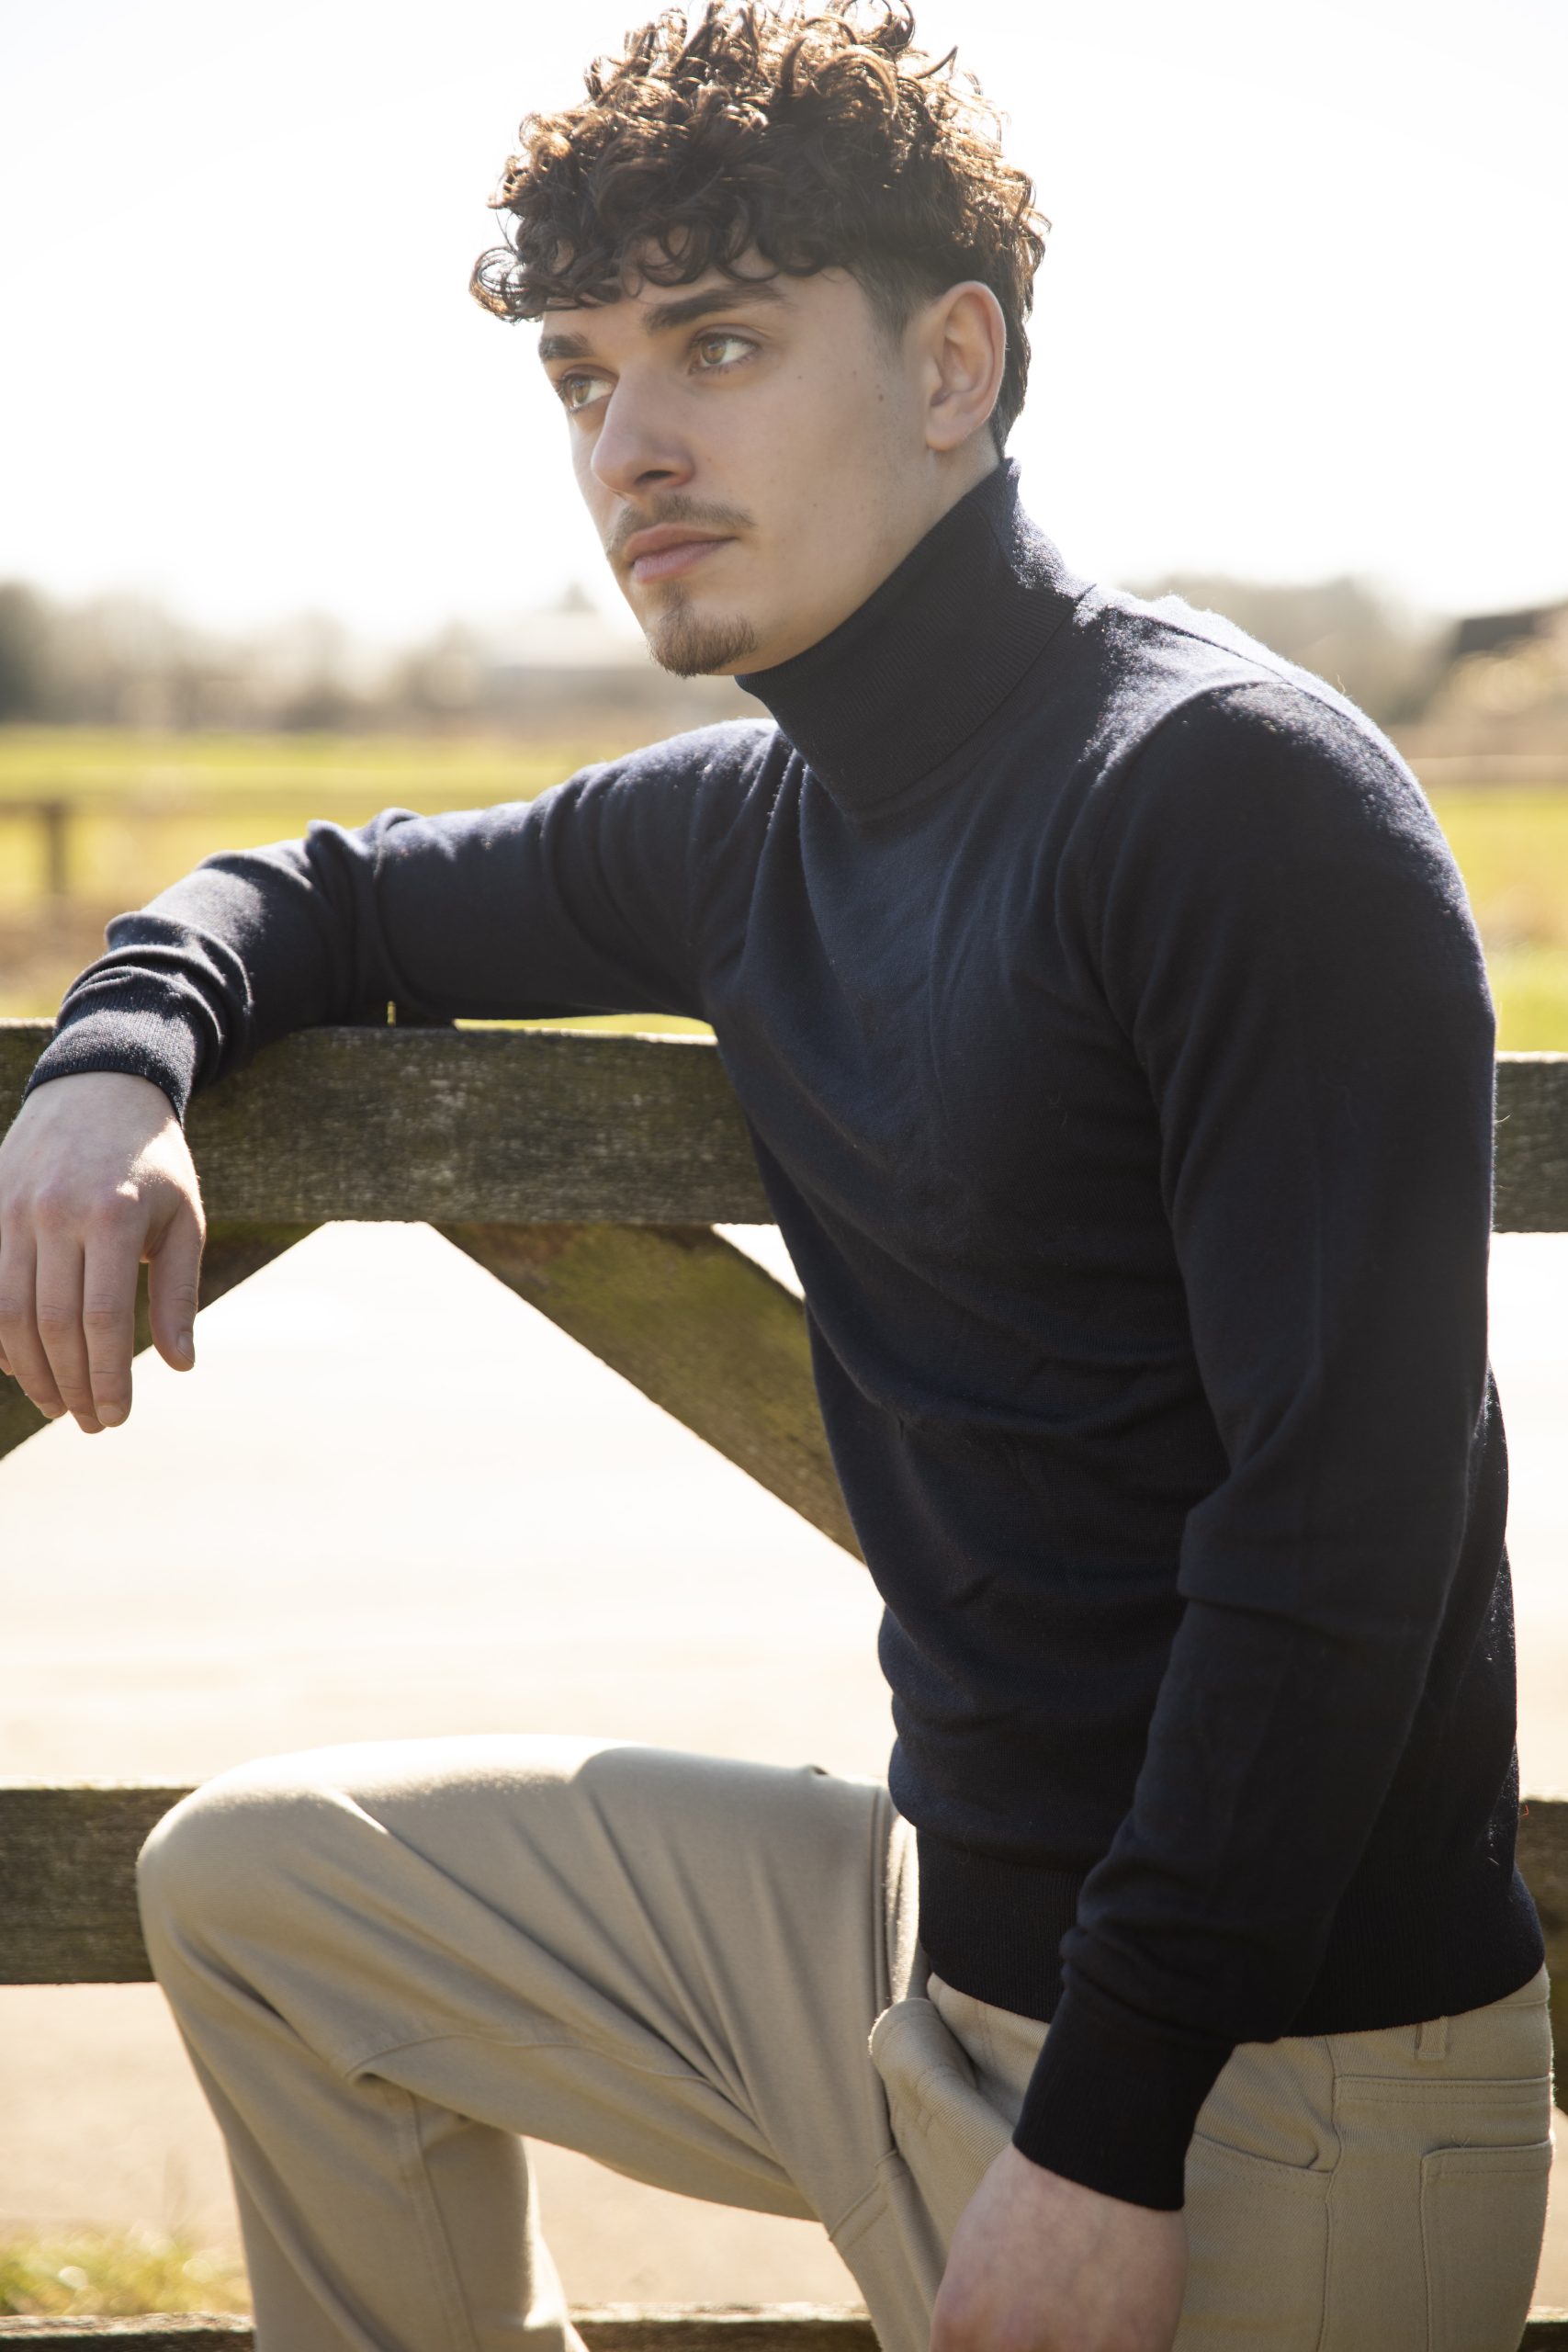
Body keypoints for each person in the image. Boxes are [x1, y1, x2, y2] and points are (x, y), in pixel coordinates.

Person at [0, 4, 1553, 2346]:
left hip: (1263, 2076)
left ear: (950, 366)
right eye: (580, 375)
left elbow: (1342, 1542)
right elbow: (317, 888)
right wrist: (111, 1064)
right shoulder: (748, 825)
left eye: (715, 345)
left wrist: (1103, 2132)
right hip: (921, 1942)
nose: (628, 443)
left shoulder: (1228, 800)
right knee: (269, 1894)